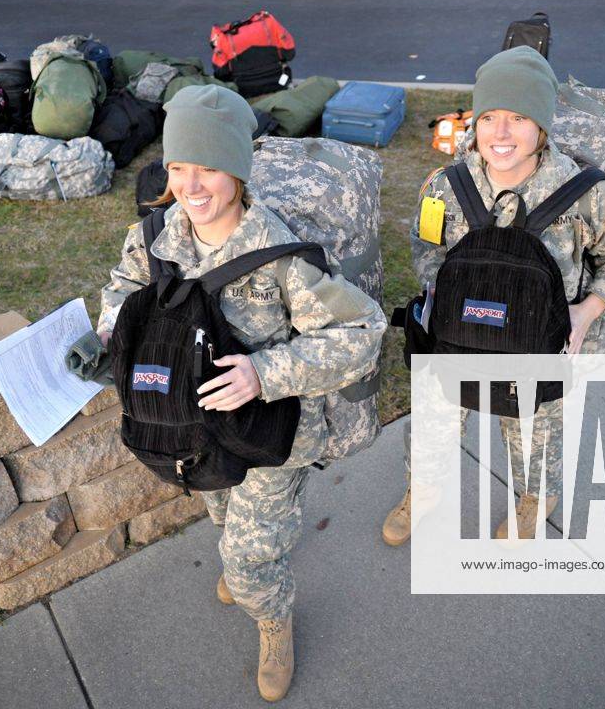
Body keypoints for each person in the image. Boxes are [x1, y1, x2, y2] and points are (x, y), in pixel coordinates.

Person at [95, 85, 387, 701]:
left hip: (268, 439)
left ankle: (272, 616)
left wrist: (265, 373)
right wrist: (112, 324)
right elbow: (124, 283)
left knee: (250, 563)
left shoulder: (281, 259)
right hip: (195, 427)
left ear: (239, 169)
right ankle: (244, 560)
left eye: (209, 168)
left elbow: (360, 332)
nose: (191, 186)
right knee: (219, 510)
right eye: (177, 168)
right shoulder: (157, 234)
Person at [381, 46, 605, 546]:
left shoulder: (587, 194)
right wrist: (451, 302)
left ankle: (535, 499)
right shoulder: (445, 186)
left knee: (533, 433)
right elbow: (424, 244)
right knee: (433, 420)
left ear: (543, 126)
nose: (501, 133)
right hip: (459, 336)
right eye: (489, 117)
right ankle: (421, 491)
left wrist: (588, 310)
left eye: (519, 117)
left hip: (539, 341)